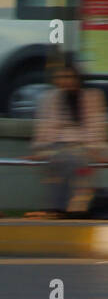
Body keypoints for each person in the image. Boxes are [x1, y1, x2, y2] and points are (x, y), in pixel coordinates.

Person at [29, 60, 107, 217]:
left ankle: (74, 209)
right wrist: (39, 149)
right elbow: (45, 126)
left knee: (74, 161)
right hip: (57, 146)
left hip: (82, 146)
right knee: (58, 161)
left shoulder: (92, 97)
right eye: (61, 77)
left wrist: (96, 151)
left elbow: (95, 126)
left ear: (78, 78)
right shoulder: (50, 98)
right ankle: (58, 210)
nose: (65, 81)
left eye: (69, 76)